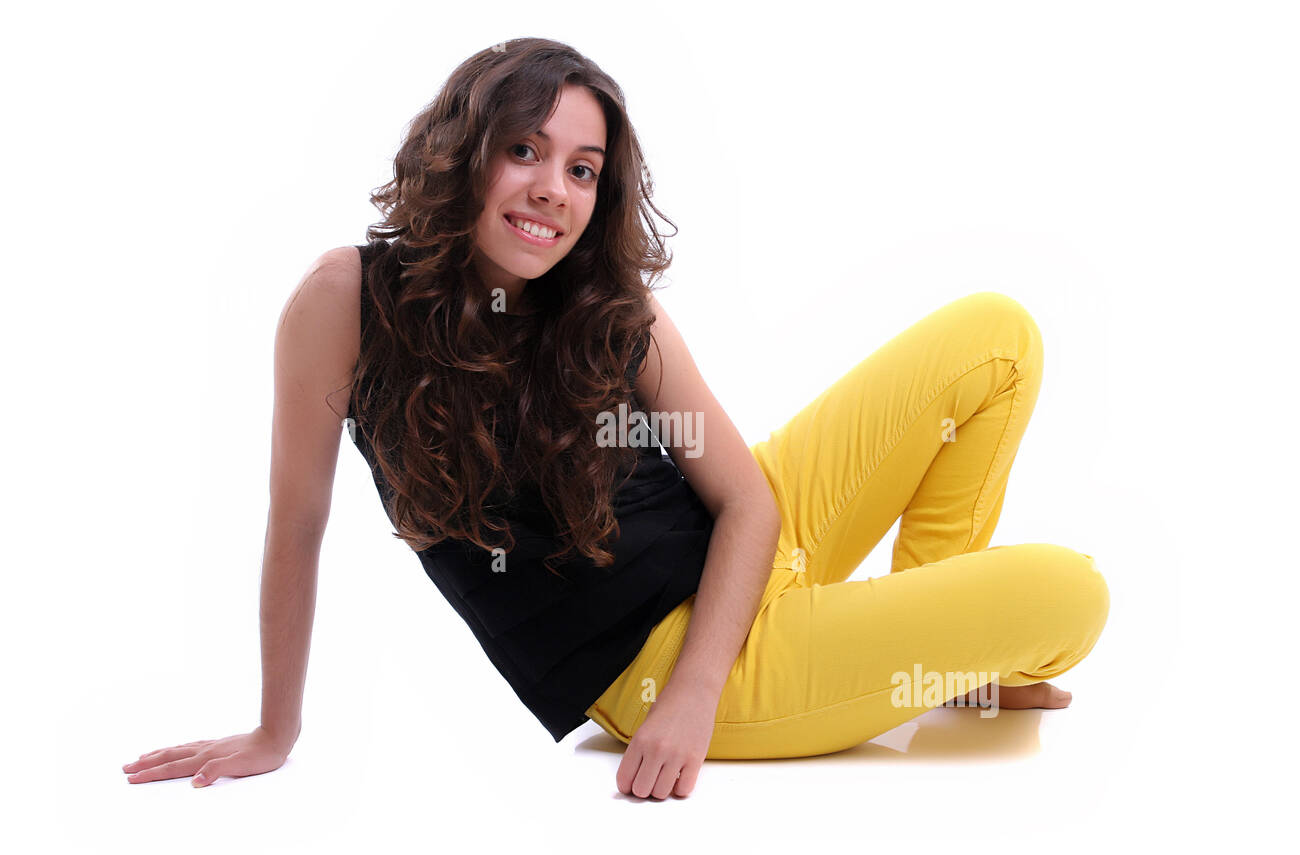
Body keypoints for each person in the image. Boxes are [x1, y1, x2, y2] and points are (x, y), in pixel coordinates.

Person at [123, 38, 1109, 801]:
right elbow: (296, 521)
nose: (554, 188)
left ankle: (936, 643)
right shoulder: (344, 299)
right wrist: (273, 731)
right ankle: (941, 645)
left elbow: (751, 505)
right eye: (524, 150)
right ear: (459, 154)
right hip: (659, 658)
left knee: (996, 334)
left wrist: (735, 674)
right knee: (1073, 594)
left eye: (583, 168)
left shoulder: (604, 305)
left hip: (739, 564)